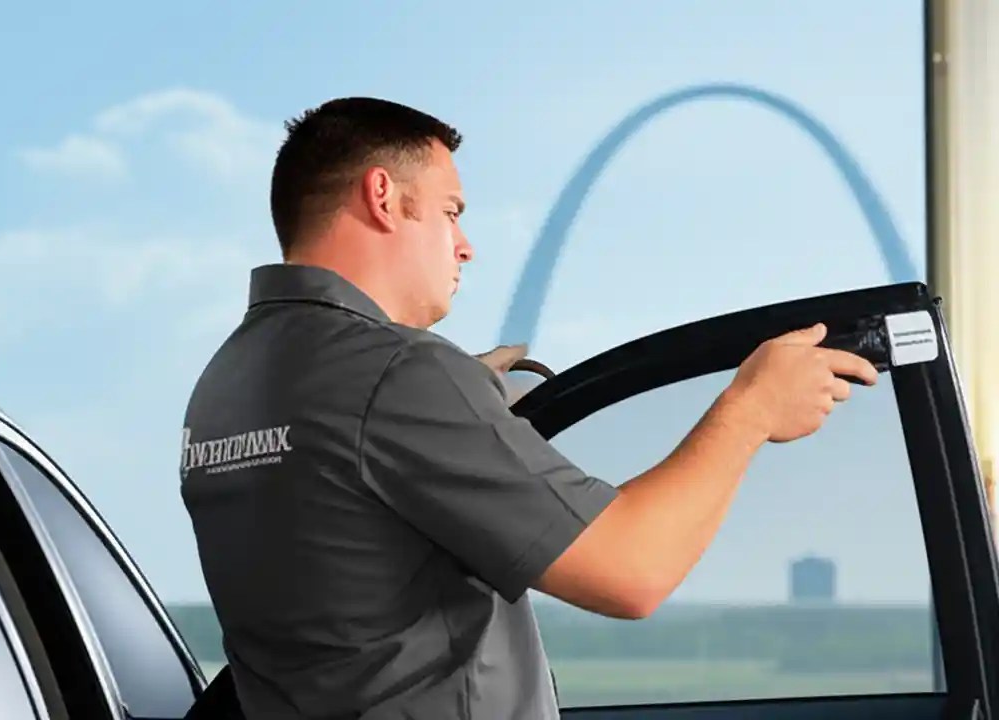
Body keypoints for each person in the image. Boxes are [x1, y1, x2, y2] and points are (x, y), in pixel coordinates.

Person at [179, 97, 878, 719]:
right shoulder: (401, 375)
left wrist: (466, 407)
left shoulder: (228, 382)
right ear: (383, 196)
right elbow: (632, 570)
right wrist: (750, 409)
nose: (466, 244)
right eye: (452, 211)